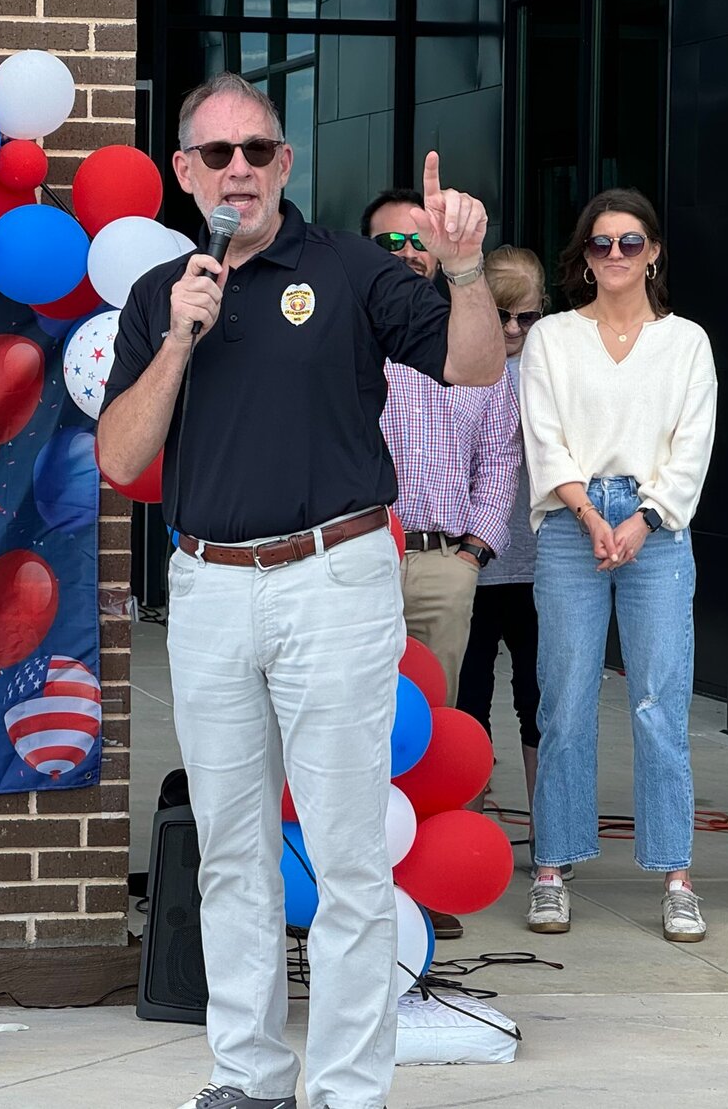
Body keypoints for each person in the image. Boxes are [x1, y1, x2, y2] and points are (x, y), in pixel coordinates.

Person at [99, 72, 503, 1109]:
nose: (239, 169)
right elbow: (122, 456)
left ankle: (347, 1091)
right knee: (231, 851)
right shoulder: (159, 296)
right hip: (210, 585)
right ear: (185, 171)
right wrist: (181, 335)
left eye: (258, 151)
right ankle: (249, 1076)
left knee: (346, 851)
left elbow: (473, 368)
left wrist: (464, 272)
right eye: (217, 153)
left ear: (285, 162)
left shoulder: (350, 269)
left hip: (334, 575)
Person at [520, 188, 717, 943]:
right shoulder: (552, 338)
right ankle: (552, 868)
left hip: (656, 527)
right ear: (584, 256)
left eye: (630, 242)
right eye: (601, 243)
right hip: (573, 523)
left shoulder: (686, 342)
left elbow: (692, 445)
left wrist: (642, 519)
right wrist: (591, 516)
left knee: (659, 701)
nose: (615, 255)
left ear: (653, 252)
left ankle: (676, 877)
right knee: (565, 700)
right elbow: (543, 436)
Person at [362, 193, 522, 942]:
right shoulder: (347, 334)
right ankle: (352, 887)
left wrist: (474, 552)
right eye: (389, 241)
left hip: (440, 563)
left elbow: (500, 455)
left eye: (418, 239)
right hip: (357, 559)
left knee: (427, 729)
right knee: (347, 721)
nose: (407, 252)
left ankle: (420, 885)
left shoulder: (472, 341)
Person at [455, 246, 546, 833]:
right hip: (471, 559)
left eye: (527, 317)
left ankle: (548, 831)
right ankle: (465, 829)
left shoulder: (551, 365)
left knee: (539, 701)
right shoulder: (458, 359)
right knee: (468, 701)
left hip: (538, 562)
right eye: (501, 313)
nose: (512, 329)